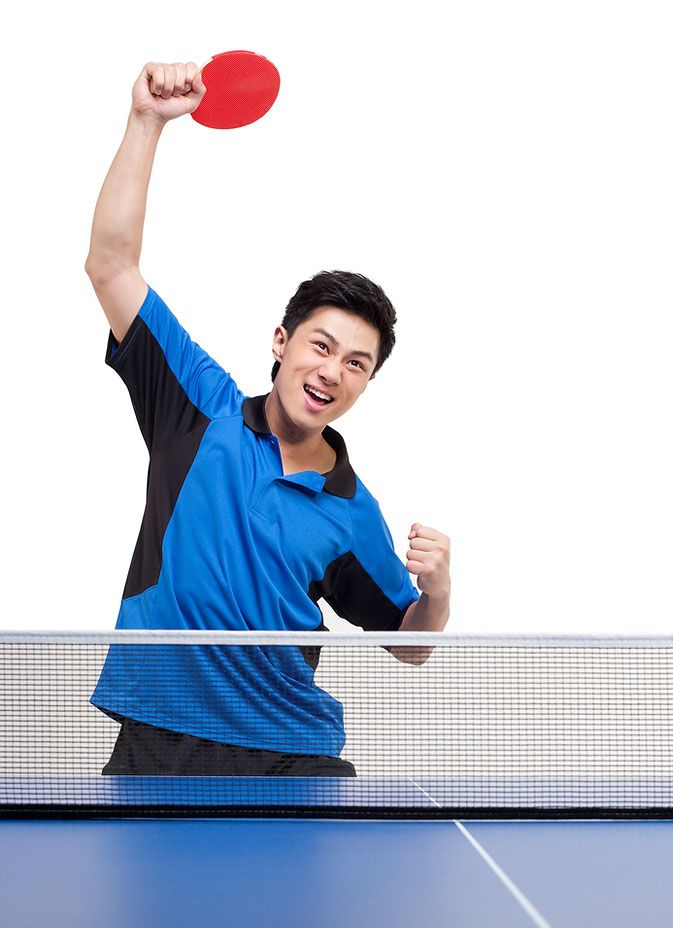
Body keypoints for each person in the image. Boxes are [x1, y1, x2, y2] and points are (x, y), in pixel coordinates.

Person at [85, 61, 451, 777]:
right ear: (282, 344)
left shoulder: (350, 510)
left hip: (291, 752)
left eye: (356, 363)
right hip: (161, 733)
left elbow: (408, 641)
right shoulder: (198, 408)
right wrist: (147, 122)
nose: (332, 371)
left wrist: (437, 595)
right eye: (322, 345)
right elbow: (110, 265)